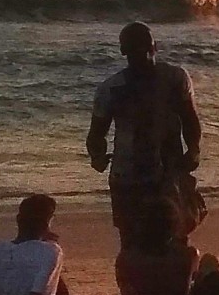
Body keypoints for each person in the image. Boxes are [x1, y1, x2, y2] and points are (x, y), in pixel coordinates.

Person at [87, 22, 203, 235]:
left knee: (173, 235)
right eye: (136, 49)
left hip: (167, 171)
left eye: (145, 47)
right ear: (124, 51)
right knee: (135, 237)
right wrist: (97, 156)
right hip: (130, 175)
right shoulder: (111, 89)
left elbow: (190, 120)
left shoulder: (175, 79)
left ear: (154, 47)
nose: (144, 54)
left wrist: (194, 150)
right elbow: (96, 134)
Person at [115, 190, 219, 295]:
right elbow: (184, 290)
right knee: (210, 261)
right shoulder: (187, 255)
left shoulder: (125, 258)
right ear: (172, 226)